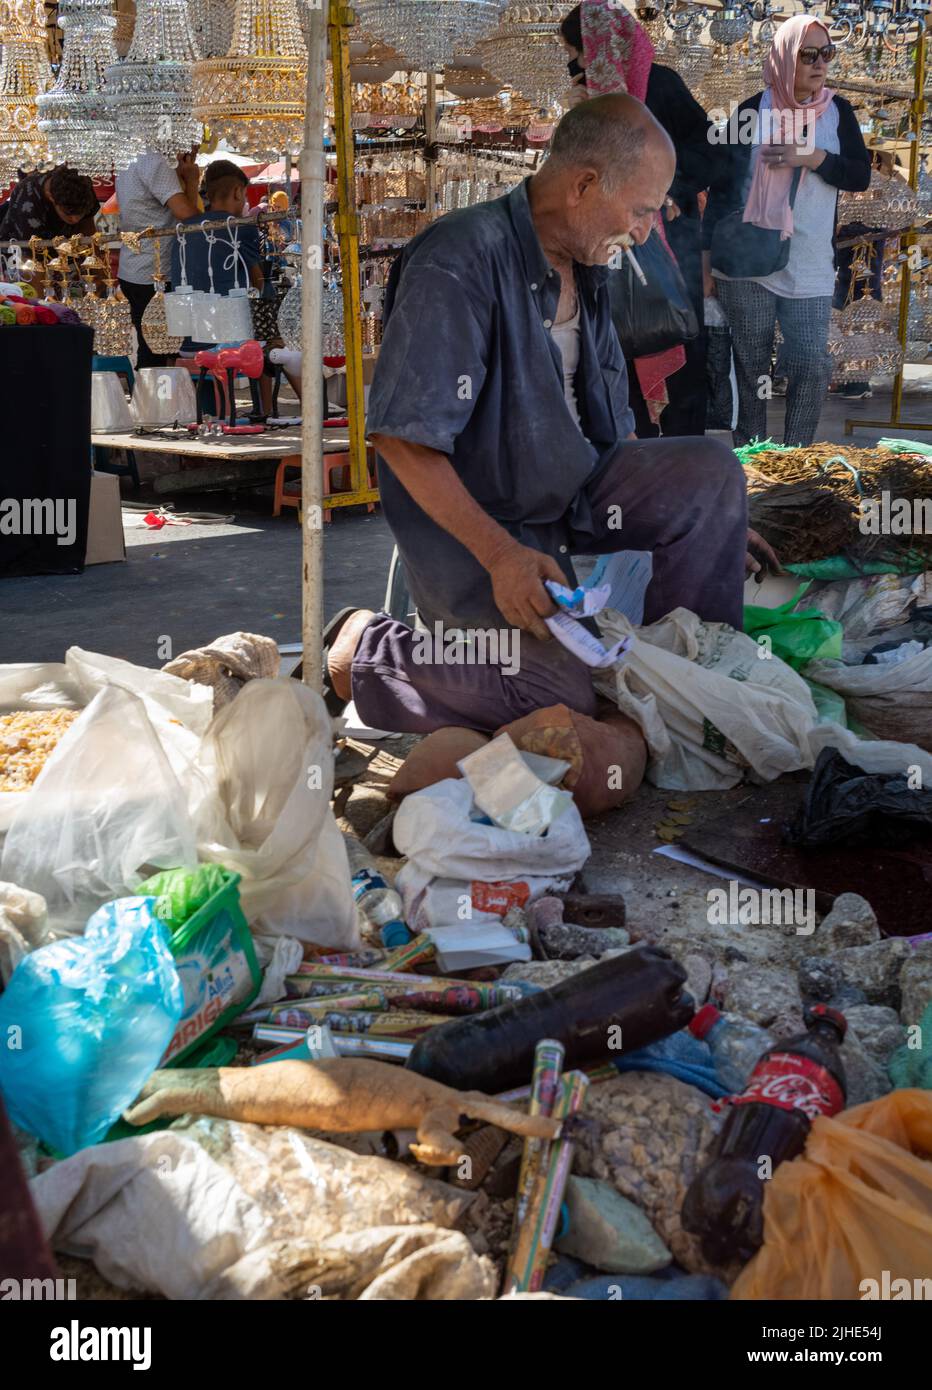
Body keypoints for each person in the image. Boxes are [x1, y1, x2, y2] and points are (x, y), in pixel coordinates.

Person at [325, 96, 777, 742]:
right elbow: (400, 440)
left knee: (709, 472)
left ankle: (679, 690)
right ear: (584, 185)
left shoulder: (589, 261)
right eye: (641, 210)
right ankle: (364, 647)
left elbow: (610, 430)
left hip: (570, 491)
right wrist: (502, 555)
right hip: (479, 521)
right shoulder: (460, 257)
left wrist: (713, 518)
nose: (647, 231)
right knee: (548, 691)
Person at [703, 14, 871, 447]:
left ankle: (798, 459)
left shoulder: (838, 112)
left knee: (810, 365)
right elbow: (721, 191)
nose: (819, 63)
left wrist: (812, 157)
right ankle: (753, 460)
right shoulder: (750, 111)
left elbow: (859, 176)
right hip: (748, 264)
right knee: (751, 365)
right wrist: (705, 262)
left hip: (811, 262)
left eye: (826, 53)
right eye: (807, 54)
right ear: (782, 57)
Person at [558, 1, 716, 436]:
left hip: (668, 254)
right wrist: (576, 119)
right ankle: (631, 466)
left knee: (670, 340)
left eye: (580, 50)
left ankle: (682, 469)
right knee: (614, 355)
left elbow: (714, 155)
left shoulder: (660, 85)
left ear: (603, 44)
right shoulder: (588, 93)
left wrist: (668, 188)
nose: (575, 61)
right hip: (606, 250)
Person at [116, 147, 200, 368]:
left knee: (155, 347)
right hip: (153, 271)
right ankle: (153, 401)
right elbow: (188, 216)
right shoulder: (156, 161)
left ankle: (152, 399)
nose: (194, 150)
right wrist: (192, 181)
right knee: (158, 350)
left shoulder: (131, 156)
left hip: (134, 268)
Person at [0, 165, 98, 242]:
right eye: (68, 214)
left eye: (80, 214)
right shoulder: (27, 195)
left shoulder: (83, 185)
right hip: (21, 251)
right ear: (50, 196)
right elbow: (29, 253)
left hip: (68, 249)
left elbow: (89, 228)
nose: (75, 219)